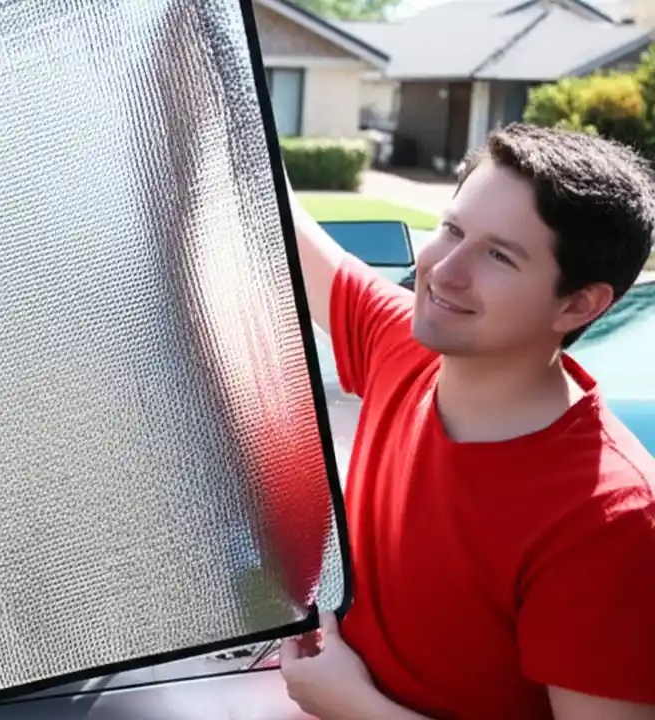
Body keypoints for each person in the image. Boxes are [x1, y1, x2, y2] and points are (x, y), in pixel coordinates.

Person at [276, 123, 655, 719]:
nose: (444, 271)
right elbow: (278, 220)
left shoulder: (611, 519)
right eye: (451, 229)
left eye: (499, 255)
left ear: (579, 303)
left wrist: (354, 706)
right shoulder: (401, 341)